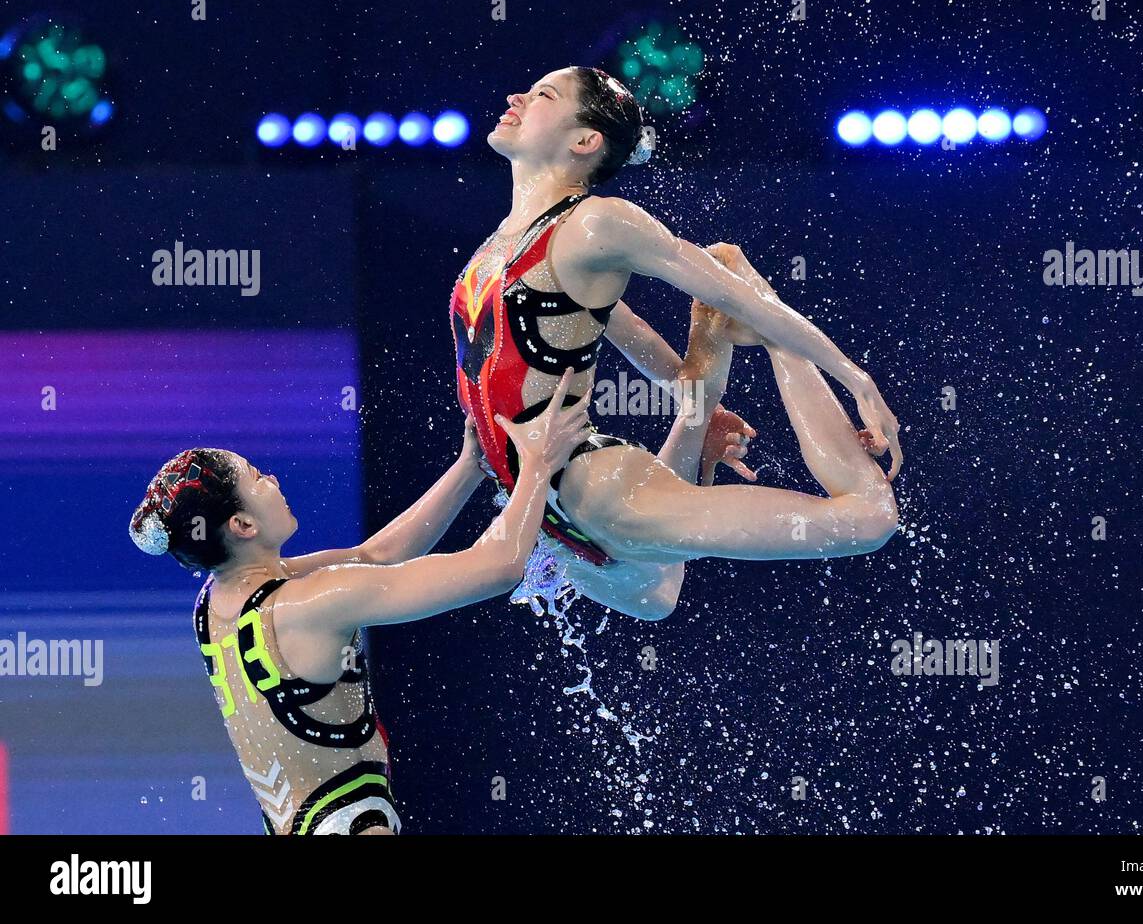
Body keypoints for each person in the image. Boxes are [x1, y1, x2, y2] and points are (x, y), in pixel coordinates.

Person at [449, 65, 901, 620]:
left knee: (872, 519)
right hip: (550, 514)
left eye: (543, 94)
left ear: (585, 141)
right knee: (657, 598)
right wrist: (697, 407)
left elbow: (744, 302)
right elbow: (624, 332)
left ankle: (774, 351)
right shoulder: (502, 243)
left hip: (591, 494)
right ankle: (702, 394)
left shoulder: (598, 223)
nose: (515, 93)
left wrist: (857, 379)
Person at [128, 373, 591, 834]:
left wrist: (470, 465)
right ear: (243, 524)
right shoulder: (312, 603)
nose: (271, 478)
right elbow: (498, 566)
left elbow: (378, 555)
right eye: (256, 477)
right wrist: (537, 463)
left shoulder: (217, 601)